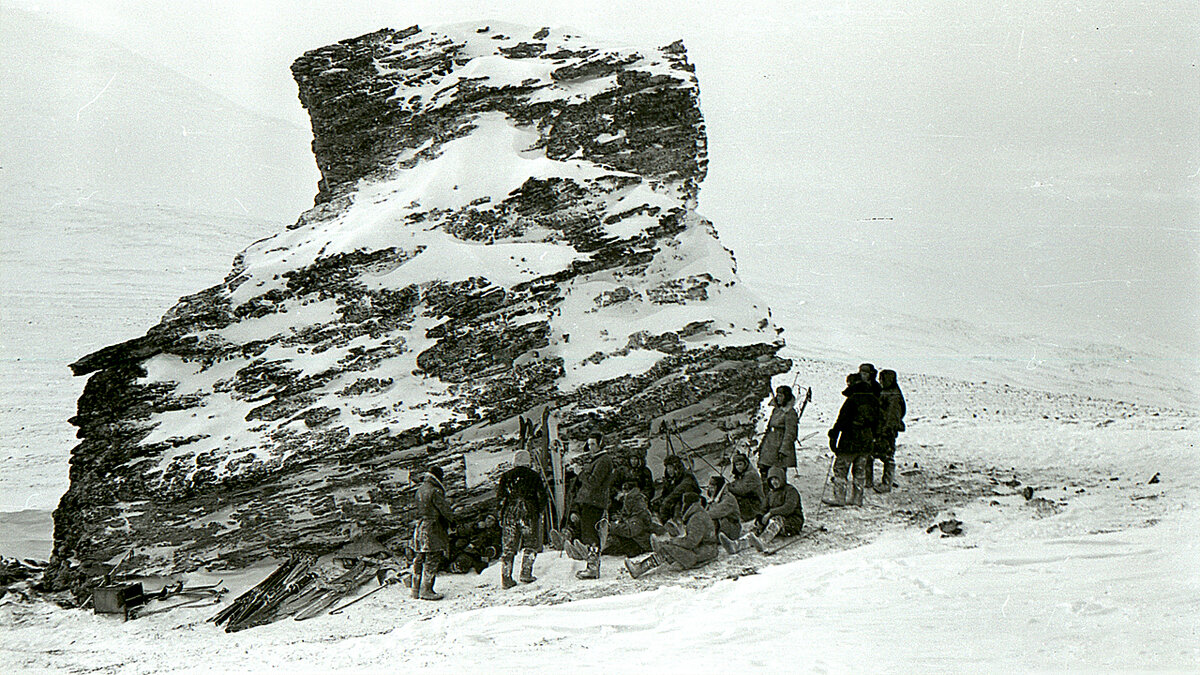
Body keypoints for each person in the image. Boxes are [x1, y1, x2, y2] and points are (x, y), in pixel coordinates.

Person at [626, 491, 719, 578]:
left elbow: (691, 542)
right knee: (670, 547)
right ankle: (661, 552)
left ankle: (640, 569)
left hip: (703, 552)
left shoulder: (697, 519)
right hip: (706, 550)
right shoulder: (698, 515)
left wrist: (673, 542)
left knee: (668, 549)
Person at [825, 373, 880, 507]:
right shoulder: (874, 400)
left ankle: (840, 498)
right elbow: (879, 422)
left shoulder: (852, 399)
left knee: (840, 470)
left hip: (849, 441)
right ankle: (857, 499)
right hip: (866, 441)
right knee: (860, 471)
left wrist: (833, 435)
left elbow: (841, 420)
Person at [720, 467, 803, 553]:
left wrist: (770, 513)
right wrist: (760, 518)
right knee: (756, 530)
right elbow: (764, 508)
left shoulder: (791, 491)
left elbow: (788, 508)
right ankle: (737, 545)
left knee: (777, 519)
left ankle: (762, 541)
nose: (774, 482)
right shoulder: (771, 493)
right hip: (773, 522)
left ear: (782, 479)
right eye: (772, 479)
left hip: (792, 522)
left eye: (777, 479)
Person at [496, 450, 547, 589]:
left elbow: (500, 498)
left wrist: (500, 515)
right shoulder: (534, 476)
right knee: (531, 544)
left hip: (510, 512)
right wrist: (539, 511)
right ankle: (526, 573)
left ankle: (506, 578)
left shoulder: (506, 476)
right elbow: (541, 497)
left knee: (509, 546)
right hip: (528, 512)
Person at [573, 430, 616, 579]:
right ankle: (591, 566)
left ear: (600, 445)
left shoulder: (604, 460)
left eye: (593, 444)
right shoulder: (597, 460)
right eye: (589, 444)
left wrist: (581, 473)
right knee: (588, 533)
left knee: (592, 534)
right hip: (590, 501)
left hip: (595, 502)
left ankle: (592, 568)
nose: (590, 447)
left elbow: (594, 482)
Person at [412, 465, 454, 600]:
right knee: (432, 558)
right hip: (432, 528)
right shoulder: (435, 491)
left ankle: (415, 589)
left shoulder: (420, 489)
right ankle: (427, 590)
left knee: (420, 558)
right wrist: (453, 519)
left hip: (420, 527)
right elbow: (444, 510)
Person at [604, 480, 659, 557]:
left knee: (614, 543)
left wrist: (613, 527)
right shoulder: (637, 508)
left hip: (639, 544)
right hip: (638, 541)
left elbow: (630, 531)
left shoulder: (638, 513)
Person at [874, 369, 907, 493]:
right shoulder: (887, 392)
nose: (881, 382)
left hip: (887, 430)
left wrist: (886, 430)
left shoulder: (893, 396)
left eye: (883, 379)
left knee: (887, 456)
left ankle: (887, 483)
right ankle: (886, 481)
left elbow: (892, 416)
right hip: (882, 428)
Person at [757, 385, 798, 481]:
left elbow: (790, 434)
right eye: (777, 395)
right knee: (764, 472)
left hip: (778, 448)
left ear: (786, 397)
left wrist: (783, 450)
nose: (778, 398)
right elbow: (768, 429)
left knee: (776, 475)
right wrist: (762, 446)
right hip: (769, 446)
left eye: (781, 396)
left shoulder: (790, 413)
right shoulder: (776, 410)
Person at [654, 454, 700, 524]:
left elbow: (678, 492)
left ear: (677, 468)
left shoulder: (687, 477)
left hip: (688, 503)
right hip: (676, 501)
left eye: (671, 468)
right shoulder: (671, 479)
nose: (669, 471)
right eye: (668, 468)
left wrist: (666, 501)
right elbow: (665, 494)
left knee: (676, 507)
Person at [728, 453, 766, 522]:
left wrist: (729, 487)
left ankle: (744, 517)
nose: (738, 467)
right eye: (736, 465)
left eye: (740, 464)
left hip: (756, 505)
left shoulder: (751, 474)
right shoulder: (743, 474)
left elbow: (742, 490)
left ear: (745, 464)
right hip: (752, 502)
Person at [705, 475, 742, 540]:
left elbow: (715, 513)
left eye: (713, 487)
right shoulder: (715, 498)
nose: (711, 490)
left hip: (732, 528)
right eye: (710, 487)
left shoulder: (728, 499)